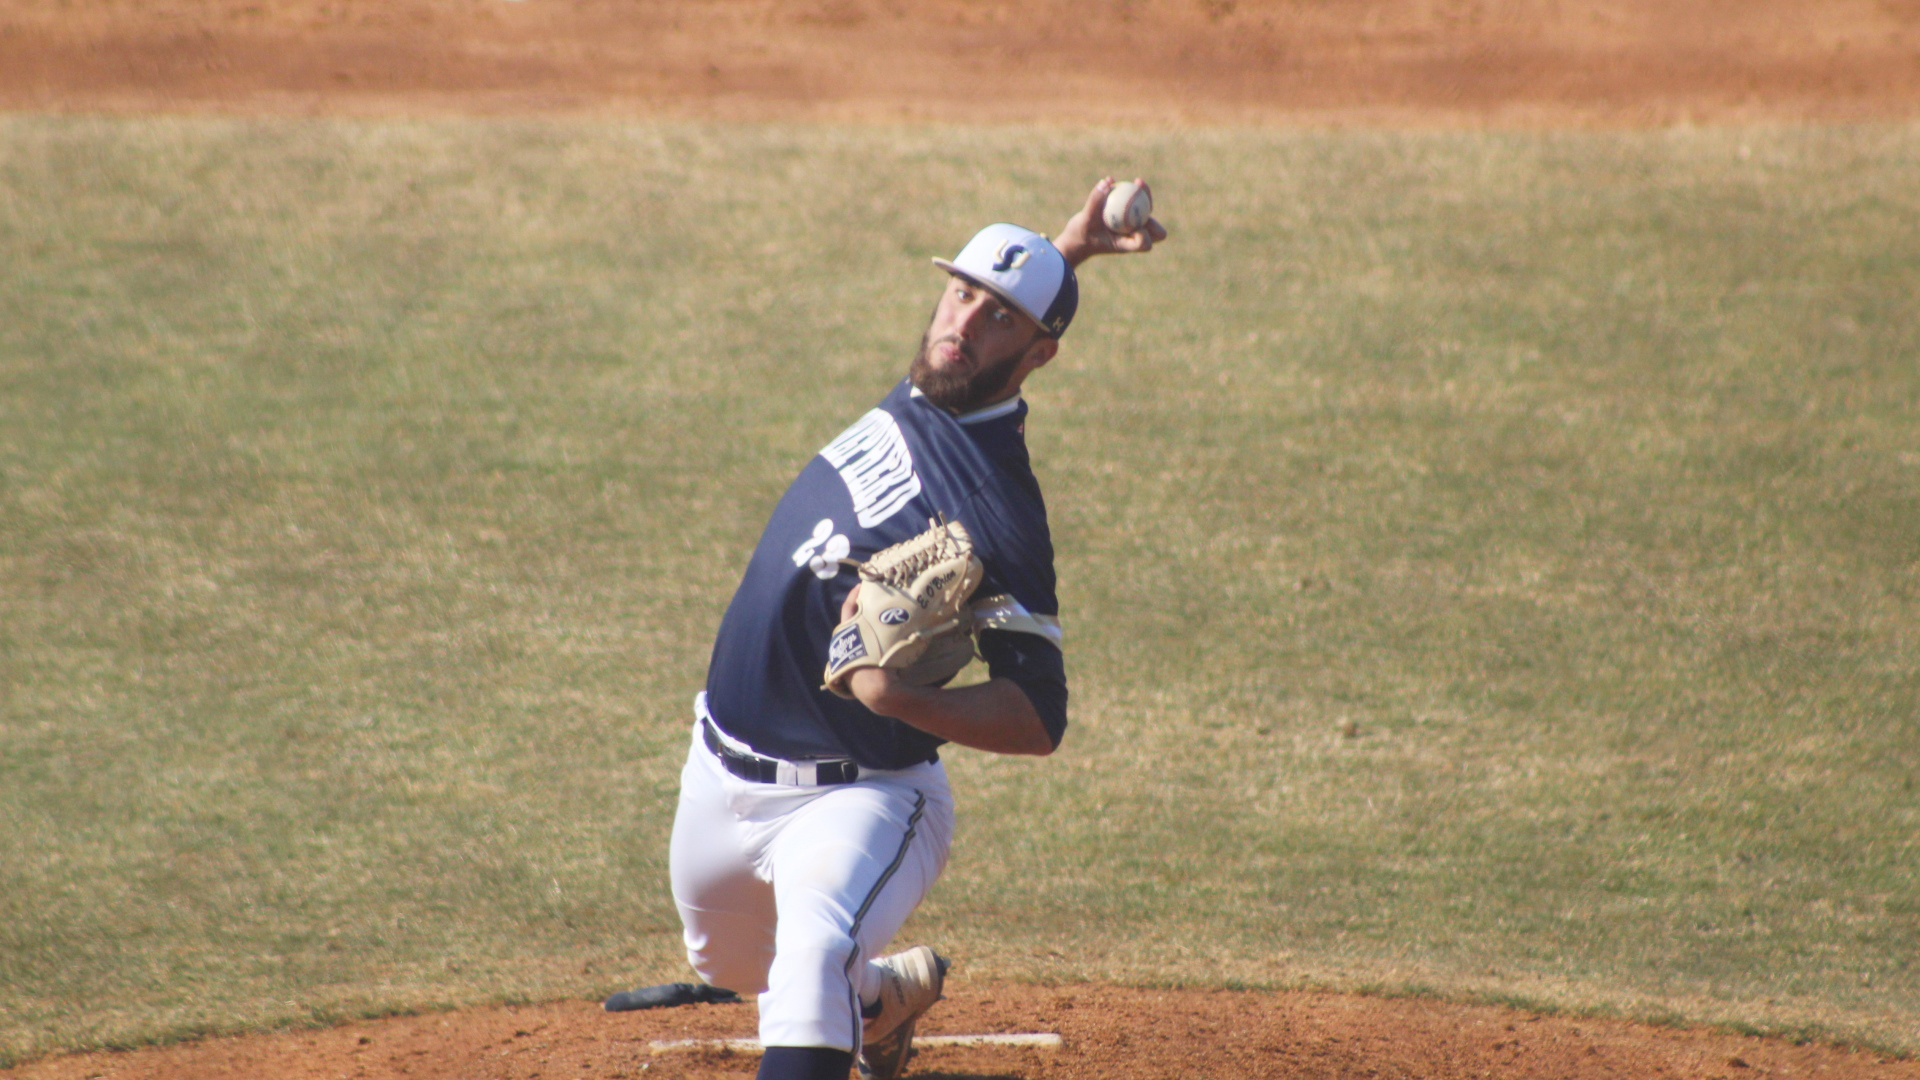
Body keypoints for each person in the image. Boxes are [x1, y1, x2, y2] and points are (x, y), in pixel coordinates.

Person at [663, 177, 1165, 1080]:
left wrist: (894, 696)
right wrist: (1069, 253)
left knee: (808, 954)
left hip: (862, 792)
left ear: (1039, 355)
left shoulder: (1000, 508)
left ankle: (841, 989)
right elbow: (991, 323)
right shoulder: (931, 386)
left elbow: (1039, 717)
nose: (965, 324)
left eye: (999, 319)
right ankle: (877, 1000)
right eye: (962, 292)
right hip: (721, 765)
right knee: (736, 967)